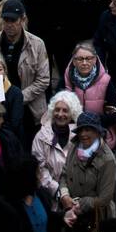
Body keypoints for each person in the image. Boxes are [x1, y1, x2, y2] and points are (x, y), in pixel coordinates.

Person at [0, 0, 50, 141]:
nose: (9, 24)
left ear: (22, 19)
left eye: (13, 20)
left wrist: (18, 98)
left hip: (29, 109)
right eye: (6, 20)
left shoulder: (37, 44)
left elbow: (43, 79)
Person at [59, 111, 116, 232]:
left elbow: (105, 198)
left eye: (88, 130)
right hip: (72, 214)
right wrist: (64, 195)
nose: (83, 134)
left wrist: (80, 204)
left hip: (97, 218)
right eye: (80, 130)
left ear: (97, 132)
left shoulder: (107, 159)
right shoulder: (74, 146)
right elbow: (64, 175)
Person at [32, 89, 81, 219]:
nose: (60, 114)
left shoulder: (80, 135)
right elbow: (40, 170)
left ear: (72, 113)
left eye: (65, 110)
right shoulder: (41, 136)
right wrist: (60, 194)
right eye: (57, 109)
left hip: (78, 199)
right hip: (50, 200)